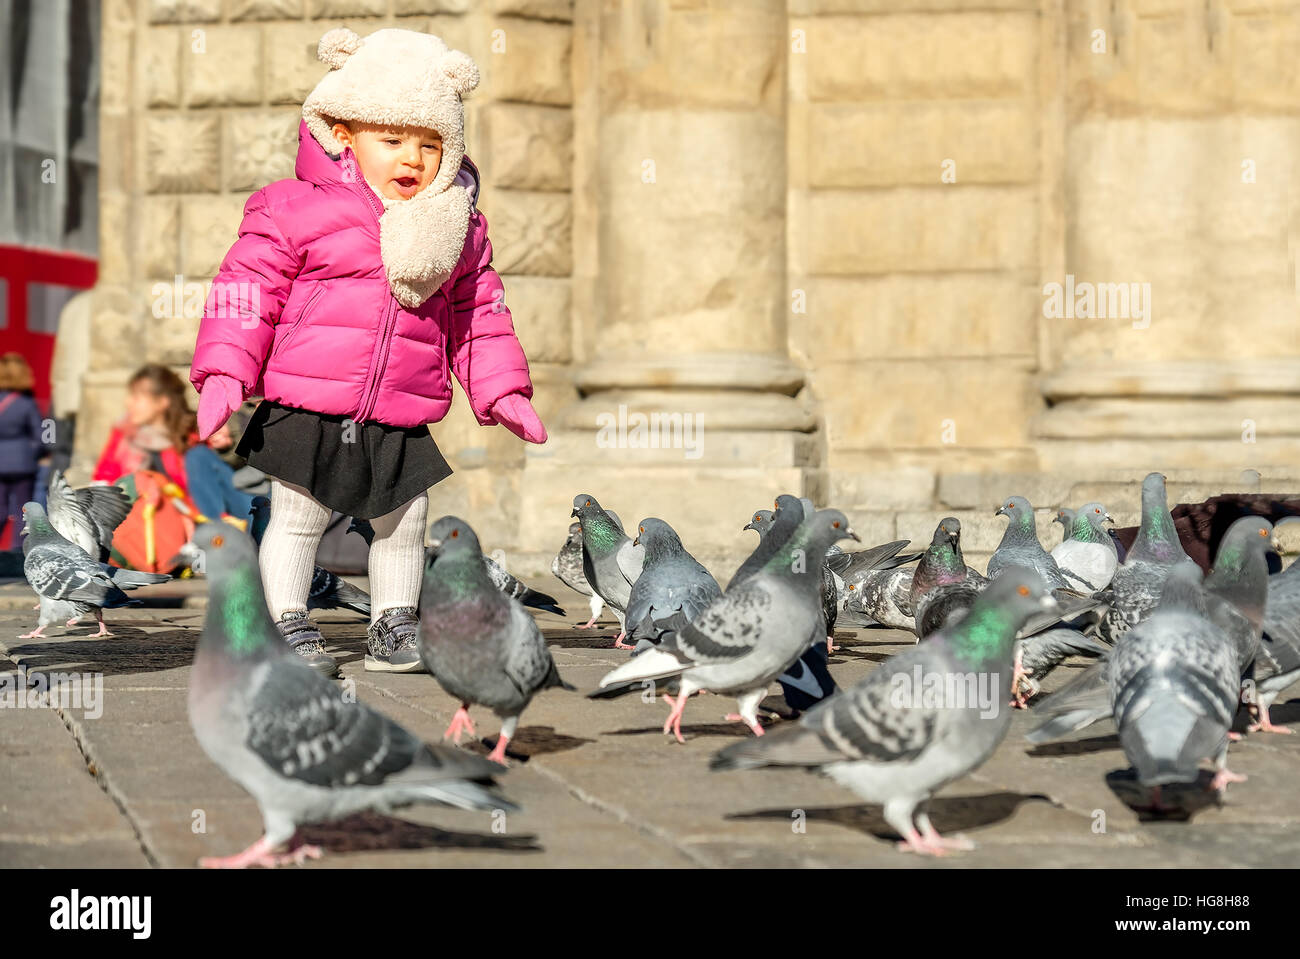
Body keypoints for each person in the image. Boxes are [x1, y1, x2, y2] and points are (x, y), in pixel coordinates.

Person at [189, 27, 546, 679]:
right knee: (297, 515)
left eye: (430, 143)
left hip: (402, 407)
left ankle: (392, 621)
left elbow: (479, 312)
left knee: (405, 520)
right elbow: (246, 288)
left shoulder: (454, 228)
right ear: (344, 133)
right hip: (307, 395)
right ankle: (285, 621)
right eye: (392, 139)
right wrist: (224, 369)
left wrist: (501, 387)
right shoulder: (295, 206)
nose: (412, 157)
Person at [0, 353, 45, 551]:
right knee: (22, 511)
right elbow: (39, 435)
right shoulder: (26, 404)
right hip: (23, 463)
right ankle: (19, 550)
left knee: (0, 509)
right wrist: (34, 453)